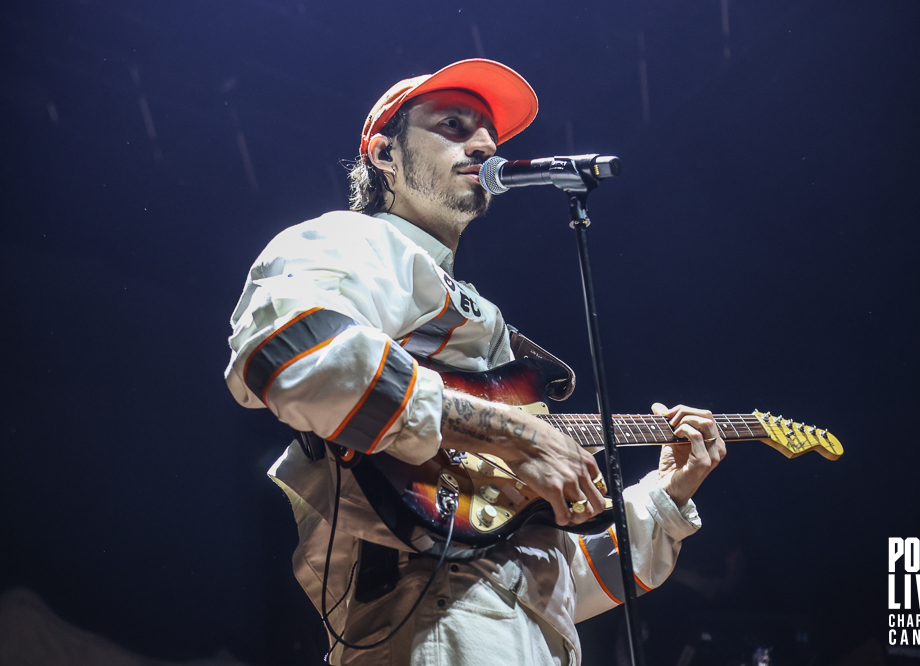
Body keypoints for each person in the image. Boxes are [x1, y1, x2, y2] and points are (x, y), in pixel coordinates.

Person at [224, 59, 726, 666]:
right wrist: (513, 431)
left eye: (488, 132)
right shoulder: (348, 240)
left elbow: (557, 584)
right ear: (385, 155)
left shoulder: (481, 321)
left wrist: (667, 498)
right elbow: (292, 353)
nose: (485, 143)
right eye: (454, 125)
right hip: (433, 620)